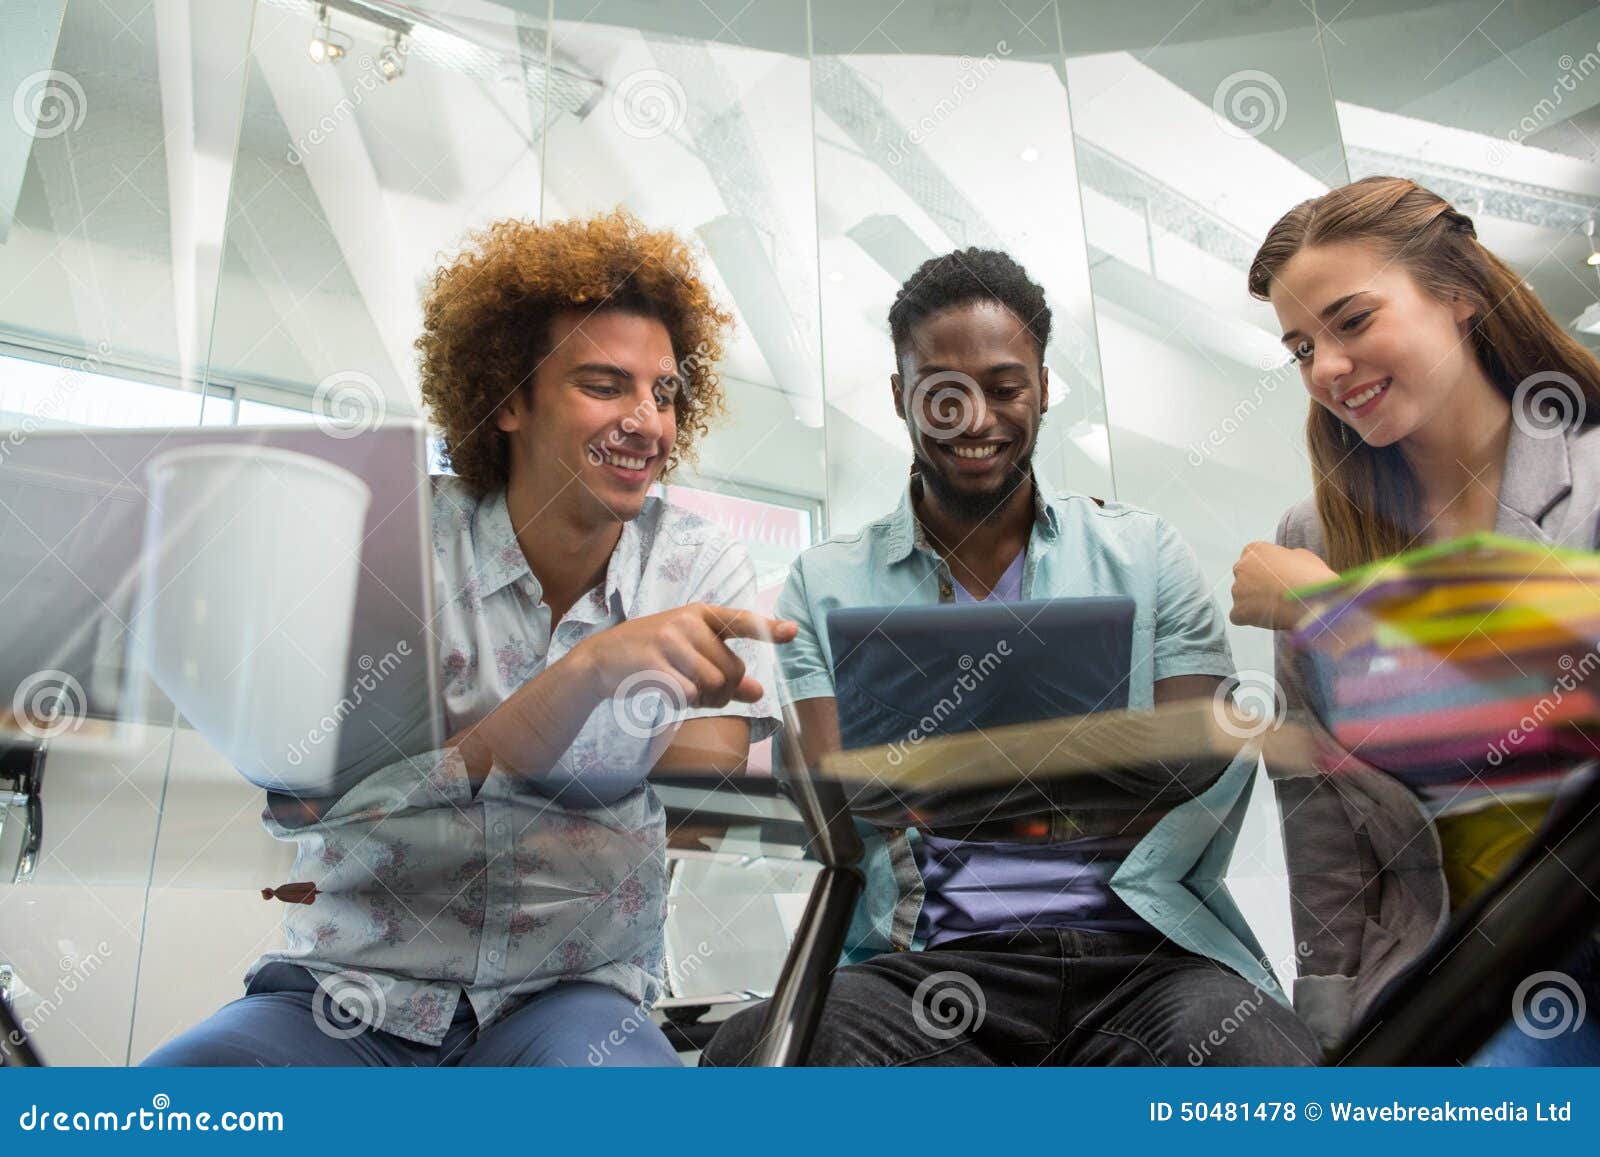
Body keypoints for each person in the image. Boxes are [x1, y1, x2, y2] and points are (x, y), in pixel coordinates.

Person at [144, 209, 793, 1067]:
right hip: (351, 987)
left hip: (571, 995)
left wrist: (475, 756)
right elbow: (328, 798)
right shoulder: (395, 543)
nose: (648, 420)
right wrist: (594, 674)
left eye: (664, 392)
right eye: (606, 385)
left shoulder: (697, 560)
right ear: (510, 400)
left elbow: (709, 762)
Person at [701, 248, 1321, 1066]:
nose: (976, 418)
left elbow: (1190, 771)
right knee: (767, 1052)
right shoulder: (826, 581)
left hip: (1142, 961)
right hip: (929, 969)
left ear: (1044, 388)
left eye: (1005, 387)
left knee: (1257, 1055)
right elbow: (842, 815)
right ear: (900, 395)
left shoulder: (1145, 551)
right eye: (942, 391)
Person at [1229, 175, 1600, 1063]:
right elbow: (1320, 815)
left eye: (1352, 322)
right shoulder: (1314, 533)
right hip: (1427, 989)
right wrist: (1326, 1017)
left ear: (1461, 294)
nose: (1324, 368)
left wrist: (1336, 613)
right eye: (1301, 347)